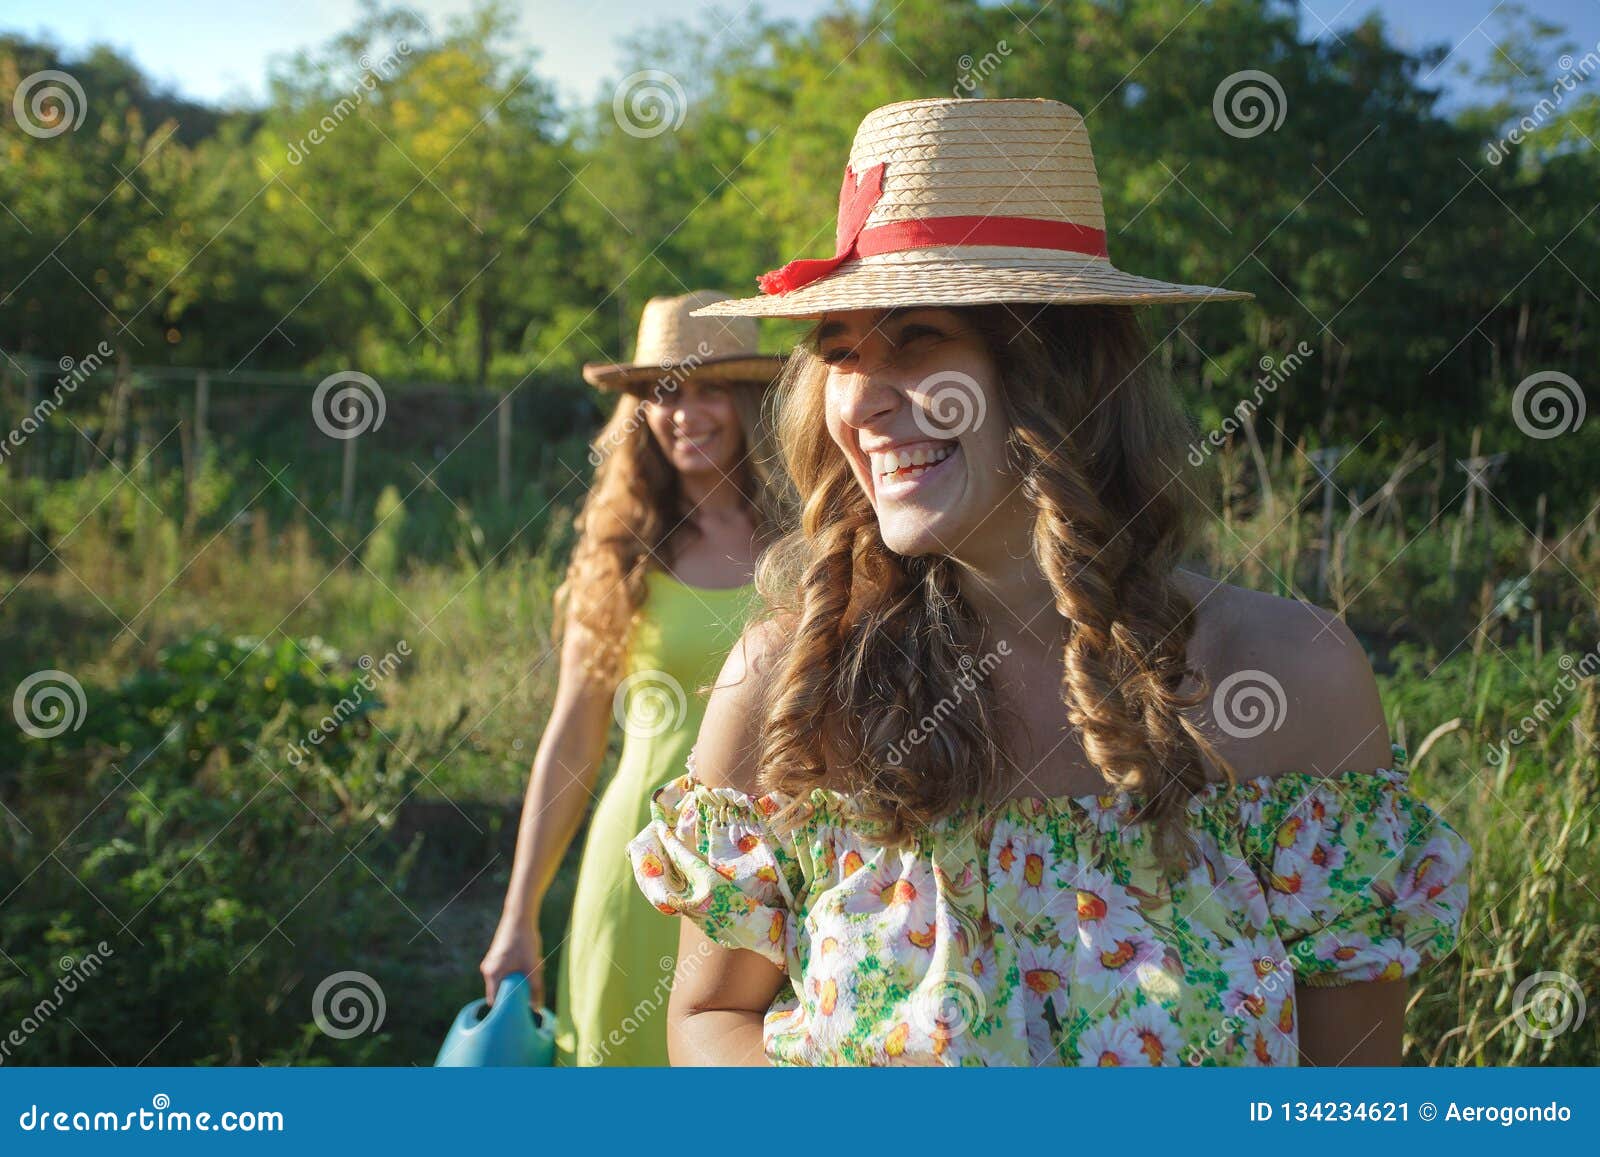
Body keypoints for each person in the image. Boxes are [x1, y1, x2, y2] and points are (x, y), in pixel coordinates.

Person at [626, 98, 1469, 1067]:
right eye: (841, 350)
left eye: (917, 337)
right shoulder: (790, 684)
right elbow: (708, 1016)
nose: (859, 398)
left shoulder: (1293, 682)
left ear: (1057, 370)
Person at [481, 289, 786, 1066]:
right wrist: (519, 914)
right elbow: (573, 742)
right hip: (641, 873)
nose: (686, 412)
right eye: (665, 392)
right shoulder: (620, 551)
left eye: (711, 387)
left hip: (780, 880)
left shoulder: (809, 538)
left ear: (751, 399)